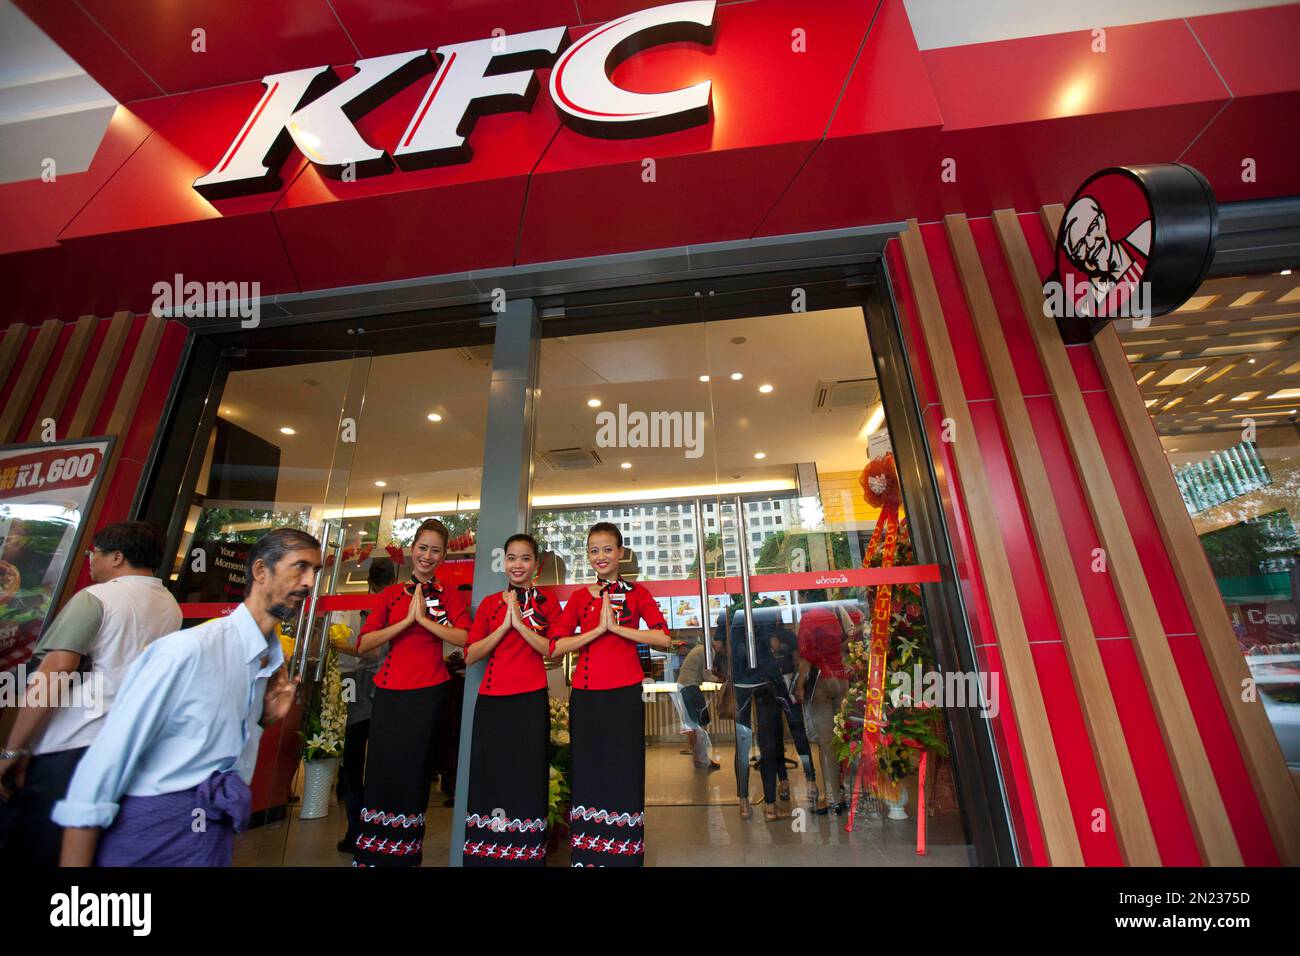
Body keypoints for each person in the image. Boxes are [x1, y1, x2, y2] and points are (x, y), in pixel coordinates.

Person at [50, 527, 319, 866]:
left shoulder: (266, 662)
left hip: (208, 836)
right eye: (300, 566)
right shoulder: (188, 651)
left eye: (316, 571)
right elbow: (103, 765)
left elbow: (217, 750)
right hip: (154, 836)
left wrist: (262, 720)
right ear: (261, 571)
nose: (309, 582)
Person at [0, 521, 183, 867]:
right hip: (129, 743)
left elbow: (54, 673)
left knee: (38, 846)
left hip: (73, 745)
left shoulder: (97, 598)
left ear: (116, 557)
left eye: (93, 552)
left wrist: (14, 749)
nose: (89, 560)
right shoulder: (169, 605)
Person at [351, 519, 470, 867]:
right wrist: (405, 621)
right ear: (412, 550)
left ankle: (406, 855)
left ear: (444, 555)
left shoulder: (449, 594)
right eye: (422, 548)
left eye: (435, 550)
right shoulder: (390, 595)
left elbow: (465, 638)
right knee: (383, 770)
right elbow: (365, 643)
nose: (427, 556)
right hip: (389, 692)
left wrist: (426, 621)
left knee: (415, 773)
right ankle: (373, 854)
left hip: (428, 693)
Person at [552, 522, 671, 867]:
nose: (601, 556)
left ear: (620, 553)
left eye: (607, 549)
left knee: (625, 769)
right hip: (586, 696)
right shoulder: (578, 597)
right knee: (587, 769)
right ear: (588, 556)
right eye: (594, 550)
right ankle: (587, 855)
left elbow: (663, 638)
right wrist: (595, 631)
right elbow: (556, 645)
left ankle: (624, 853)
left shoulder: (638, 594)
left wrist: (618, 628)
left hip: (624, 696)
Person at [461, 533, 554, 866]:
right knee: (491, 776)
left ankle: (525, 855)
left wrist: (520, 624)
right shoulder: (489, 604)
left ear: (535, 565)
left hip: (529, 701)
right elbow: (470, 655)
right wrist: (502, 628)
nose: (518, 565)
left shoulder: (547, 603)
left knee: (526, 777)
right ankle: (489, 854)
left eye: (525, 558)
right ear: (504, 562)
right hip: (492, 701)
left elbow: (551, 650)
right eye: (512, 558)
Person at [332, 558, 394, 853]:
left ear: (369, 581)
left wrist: (341, 646)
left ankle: (358, 829)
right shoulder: (395, 604)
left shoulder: (375, 606)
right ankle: (373, 828)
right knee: (376, 762)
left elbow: (374, 649)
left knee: (355, 762)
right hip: (380, 692)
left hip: (366, 693)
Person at [717, 595, 788, 821]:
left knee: (742, 741)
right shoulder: (765, 608)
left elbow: (718, 644)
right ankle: (769, 807)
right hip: (765, 680)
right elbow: (775, 644)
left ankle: (744, 804)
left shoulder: (726, 612)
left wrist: (739, 658)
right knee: (767, 743)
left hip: (740, 682)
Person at [794, 589, 854, 815]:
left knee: (826, 742)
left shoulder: (809, 618)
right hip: (841, 678)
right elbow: (848, 638)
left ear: (807, 597)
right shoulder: (834, 614)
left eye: (800, 596)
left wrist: (800, 685)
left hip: (821, 681)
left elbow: (806, 657)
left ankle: (832, 799)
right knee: (843, 737)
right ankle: (846, 789)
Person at [673, 638, 721, 770]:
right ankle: (704, 760)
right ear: (716, 643)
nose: (722, 647)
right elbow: (707, 675)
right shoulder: (708, 651)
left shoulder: (699, 649)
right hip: (690, 687)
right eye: (722, 643)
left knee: (693, 725)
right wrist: (721, 679)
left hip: (683, 686)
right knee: (701, 724)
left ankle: (698, 759)